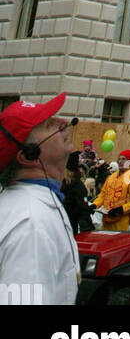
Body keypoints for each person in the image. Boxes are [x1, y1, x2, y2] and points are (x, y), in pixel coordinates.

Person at [0, 92, 79, 304]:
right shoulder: (30, 225)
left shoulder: (32, 208)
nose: (62, 122)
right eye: (48, 124)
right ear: (28, 156)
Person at [91, 148, 130, 232]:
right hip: (107, 220)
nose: (120, 161)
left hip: (123, 222)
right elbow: (103, 194)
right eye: (119, 159)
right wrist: (94, 205)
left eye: (123, 159)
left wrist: (121, 210)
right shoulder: (111, 176)